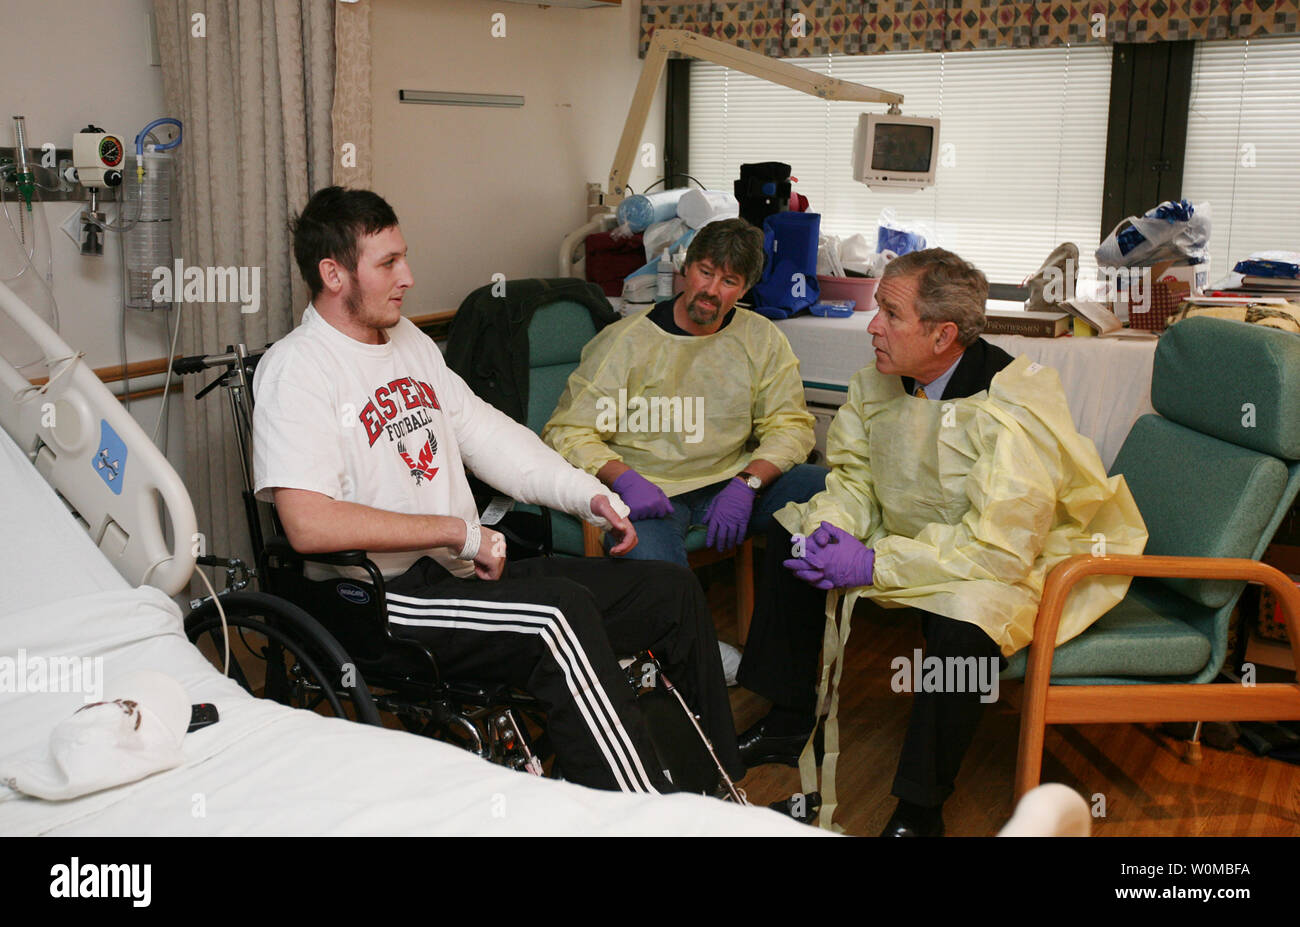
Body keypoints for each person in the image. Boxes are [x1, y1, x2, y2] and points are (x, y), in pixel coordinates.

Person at [251, 186, 743, 793]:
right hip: (380, 599)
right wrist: (459, 532)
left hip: (461, 576)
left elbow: (491, 436)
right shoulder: (297, 369)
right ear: (333, 273)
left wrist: (587, 494)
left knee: (671, 592)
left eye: (404, 256)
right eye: (387, 263)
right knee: (557, 621)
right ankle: (646, 816)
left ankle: (719, 791)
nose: (407, 276)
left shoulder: (408, 344)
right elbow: (309, 525)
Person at [735, 248, 1147, 835]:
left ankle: (920, 808)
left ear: (942, 335)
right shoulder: (881, 379)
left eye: (891, 314)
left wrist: (874, 563)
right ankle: (788, 718)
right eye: (877, 308)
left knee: (965, 624)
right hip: (908, 534)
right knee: (794, 535)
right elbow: (855, 478)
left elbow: (999, 549)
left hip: (1011, 557)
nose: (874, 326)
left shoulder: (1013, 403)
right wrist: (836, 530)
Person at [542, 217, 826, 569]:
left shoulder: (761, 338)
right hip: (653, 494)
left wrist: (747, 483)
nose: (711, 290)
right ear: (686, 267)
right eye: (705, 272)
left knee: (833, 491)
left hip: (731, 481)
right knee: (654, 569)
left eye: (729, 281)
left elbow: (791, 426)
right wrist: (626, 480)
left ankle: (781, 620)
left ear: (745, 289)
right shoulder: (626, 341)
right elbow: (568, 430)